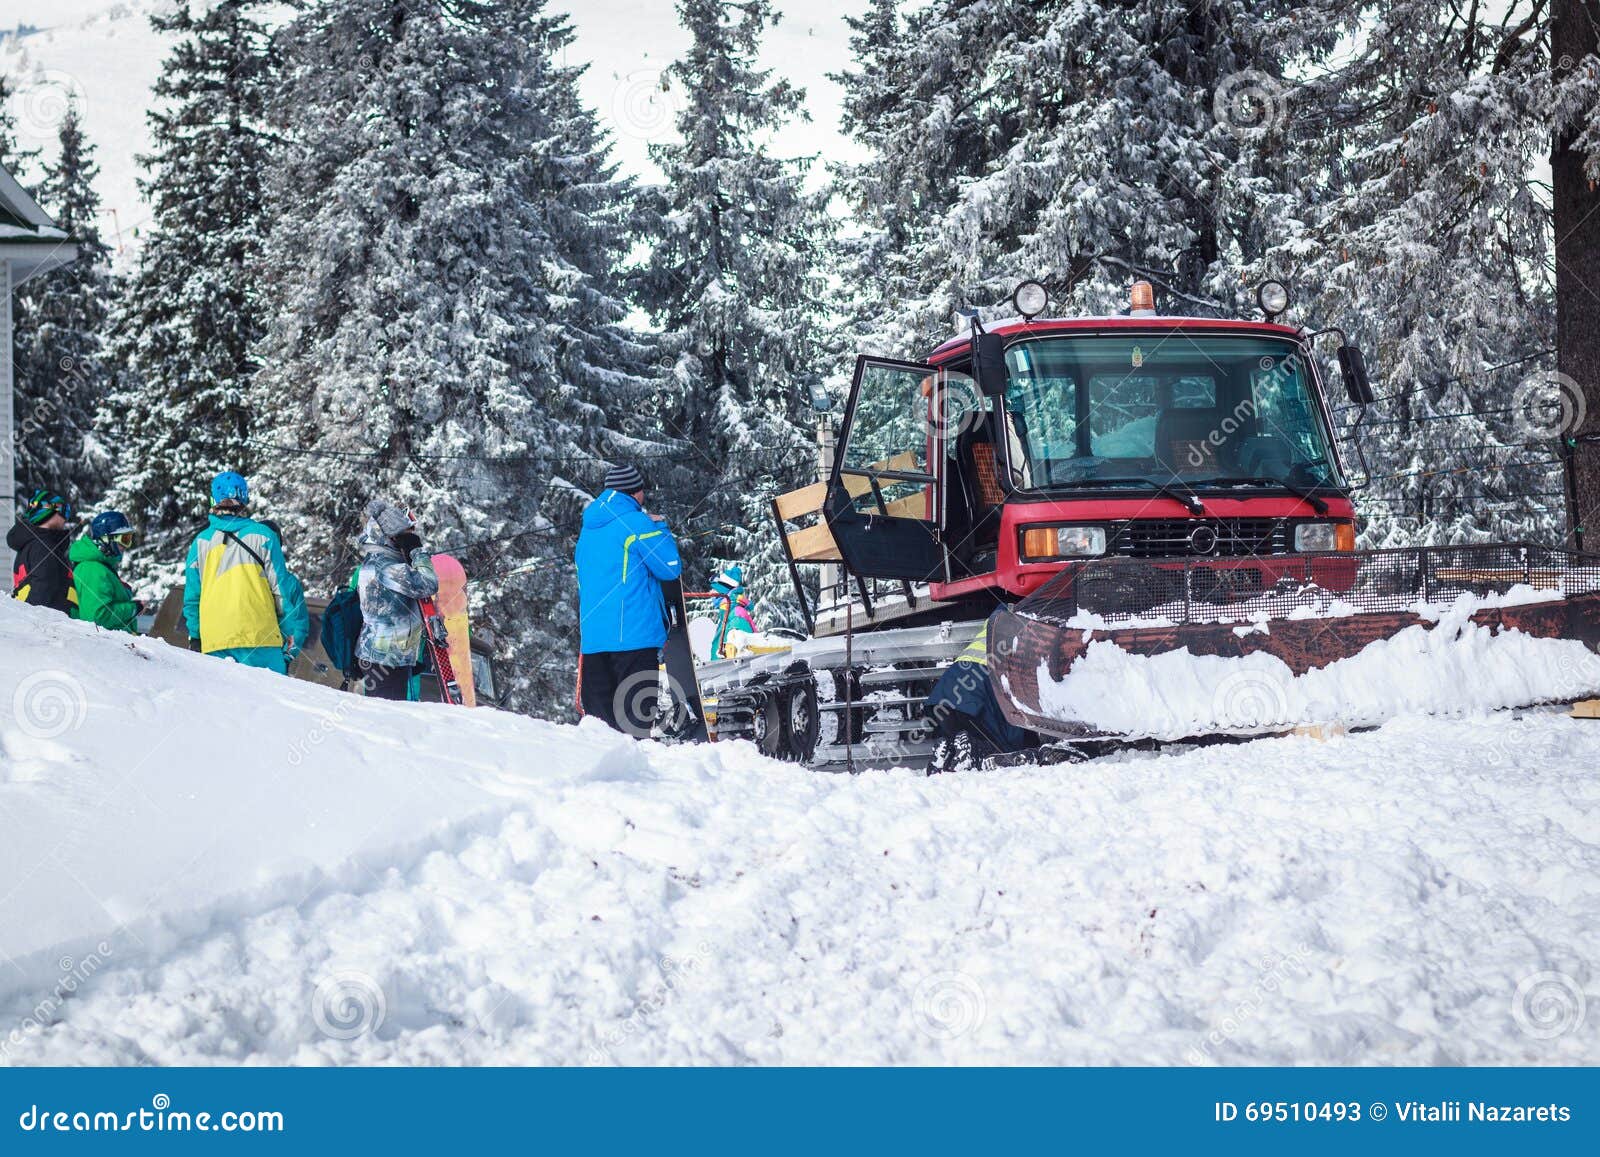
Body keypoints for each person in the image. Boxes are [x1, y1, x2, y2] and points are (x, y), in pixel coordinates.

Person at [575, 464, 682, 734]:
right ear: (636, 493)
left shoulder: (587, 530)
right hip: (634, 638)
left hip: (593, 643)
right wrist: (661, 527)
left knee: (601, 733)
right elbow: (669, 567)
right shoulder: (637, 523)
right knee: (634, 730)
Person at [183, 471, 299, 673]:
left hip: (215, 641)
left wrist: (196, 636)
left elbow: (193, 598)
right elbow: (281, 589)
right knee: (270, 702)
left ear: (213, 500)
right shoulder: (264, 536)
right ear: (244, 499)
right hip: (261, 641)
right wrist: (287, 630)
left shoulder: (200, 543)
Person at [923, 611, 1034, 774]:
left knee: (958, 739)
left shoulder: (1002, 613)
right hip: (981, 692)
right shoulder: (1043, 621)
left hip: (948, 690)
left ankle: (944, 756)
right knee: (1004, 749)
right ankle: (969, 750)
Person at [355, 498, 438, 701]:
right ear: (391, 538)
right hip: (386, 658)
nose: (410, 539)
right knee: (385, 717)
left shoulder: (377, 561)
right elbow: (428, 584)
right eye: (405, 536)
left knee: (388, 713)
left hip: (384, 655)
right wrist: (417, 552)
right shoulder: (387, 567)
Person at [70, 512, 140, 634]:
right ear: (107, 539)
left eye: (128, 539)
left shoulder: (101, 567)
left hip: (116, 641)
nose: (125, 546)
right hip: (105, 646)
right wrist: (133, 609)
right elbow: (98, 617)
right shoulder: (92, 569)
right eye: (124, 539)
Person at [8, 489, 75, 613]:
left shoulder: (33, 544)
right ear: (48, 511)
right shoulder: (43, 547)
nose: (66, 518)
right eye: (64, 511)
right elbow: (42, 595)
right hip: (52, 627)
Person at [258, 518, 311, 666]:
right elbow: (300, 627)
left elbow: (300, 625)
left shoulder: (240, 577)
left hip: (246, 651)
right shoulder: (290, 582)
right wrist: (286, 656)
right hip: (275, 656)